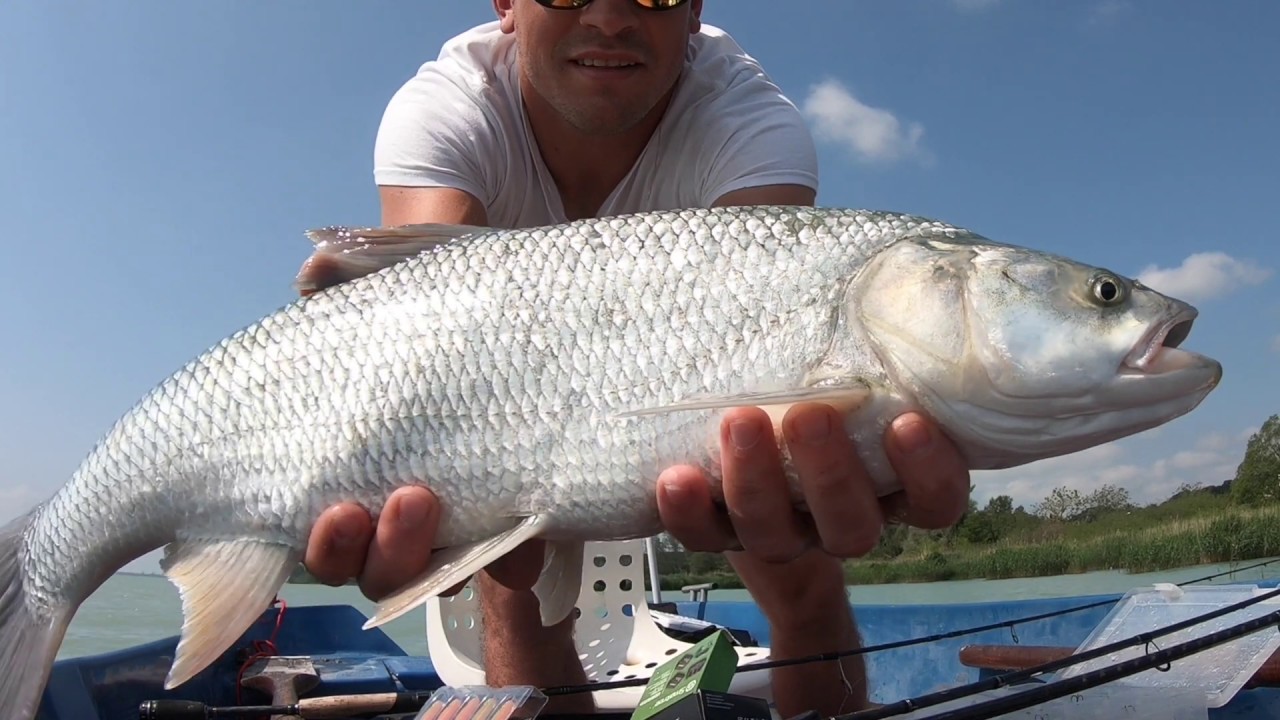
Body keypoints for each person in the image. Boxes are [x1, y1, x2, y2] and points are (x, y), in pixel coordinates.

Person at [298, 0, 971, 715]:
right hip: (502, 386)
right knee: (513, 574)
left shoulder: (752, 123)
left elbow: (765, 341)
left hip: (700, 373)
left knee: (798, 565)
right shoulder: (445, 110)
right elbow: (427, 337)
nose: (612, 18)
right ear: (503, 4)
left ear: (694, 11)